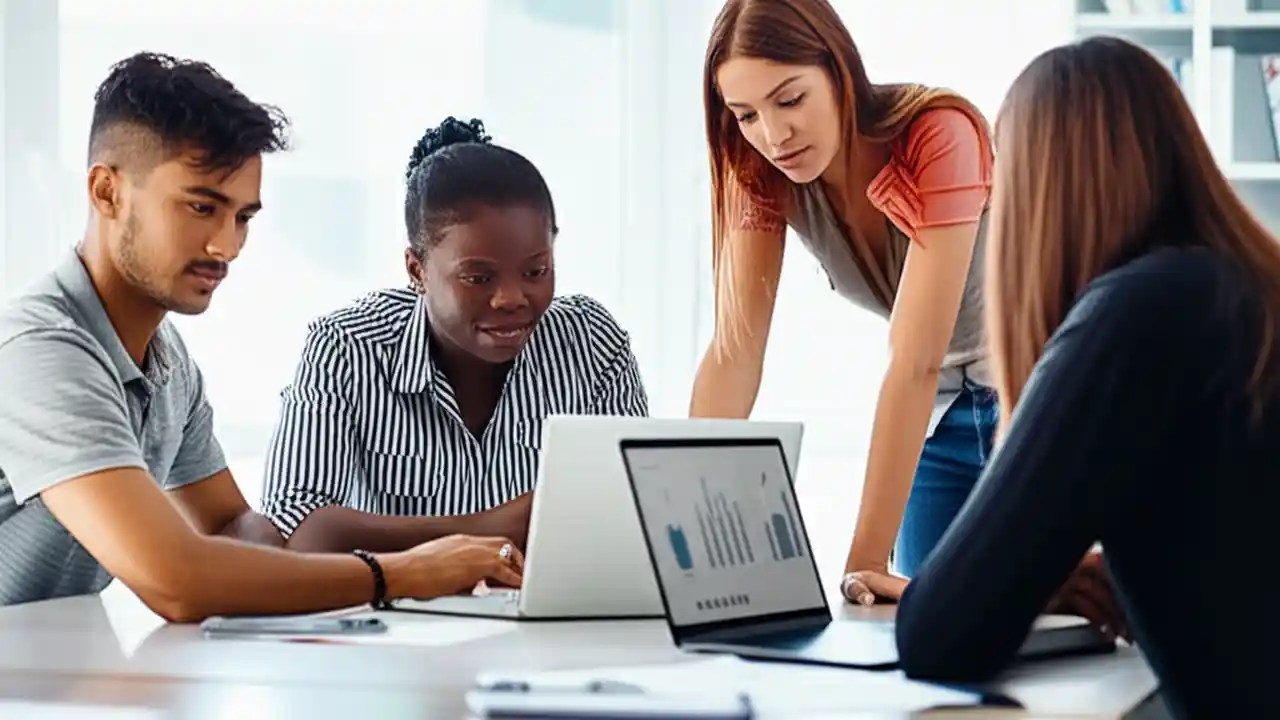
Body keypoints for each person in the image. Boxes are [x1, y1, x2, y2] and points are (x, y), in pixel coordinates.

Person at [0, 53, 523, 618]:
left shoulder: (167, 359)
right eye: (202, 207)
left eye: (243, 217)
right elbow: (175, 581)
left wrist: (265, 572)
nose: (225, 247)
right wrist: (405, 571)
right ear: (107, 192)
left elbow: (231, 525)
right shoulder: (42, 350)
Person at [895, 37, 1279, 719]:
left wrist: (1029, 579)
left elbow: (937, 636)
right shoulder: (1238, 289)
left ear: (1035, 191)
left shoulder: (1136, 312)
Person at [692, 0, 996, 602]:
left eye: (790, 99)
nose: (773, 135)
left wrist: (860, 564)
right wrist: (681, 530)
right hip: (937, 418)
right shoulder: (759, 168)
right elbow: (734, 352)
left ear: (839, 70)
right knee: (922, 639)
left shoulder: (938, 134)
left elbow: (915, 360)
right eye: (745, 113)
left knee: (1051, 631)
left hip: (1037, 392)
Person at [259, 116, 648, 553]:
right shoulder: (348, 348)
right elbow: (293, 527)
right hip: (402, 616)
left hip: (550, 616)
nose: (511, 298)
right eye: (478, 278)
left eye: (536, 271)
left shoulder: (592, 345)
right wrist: (489, 528)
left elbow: (637, 512)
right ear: (417, 270)